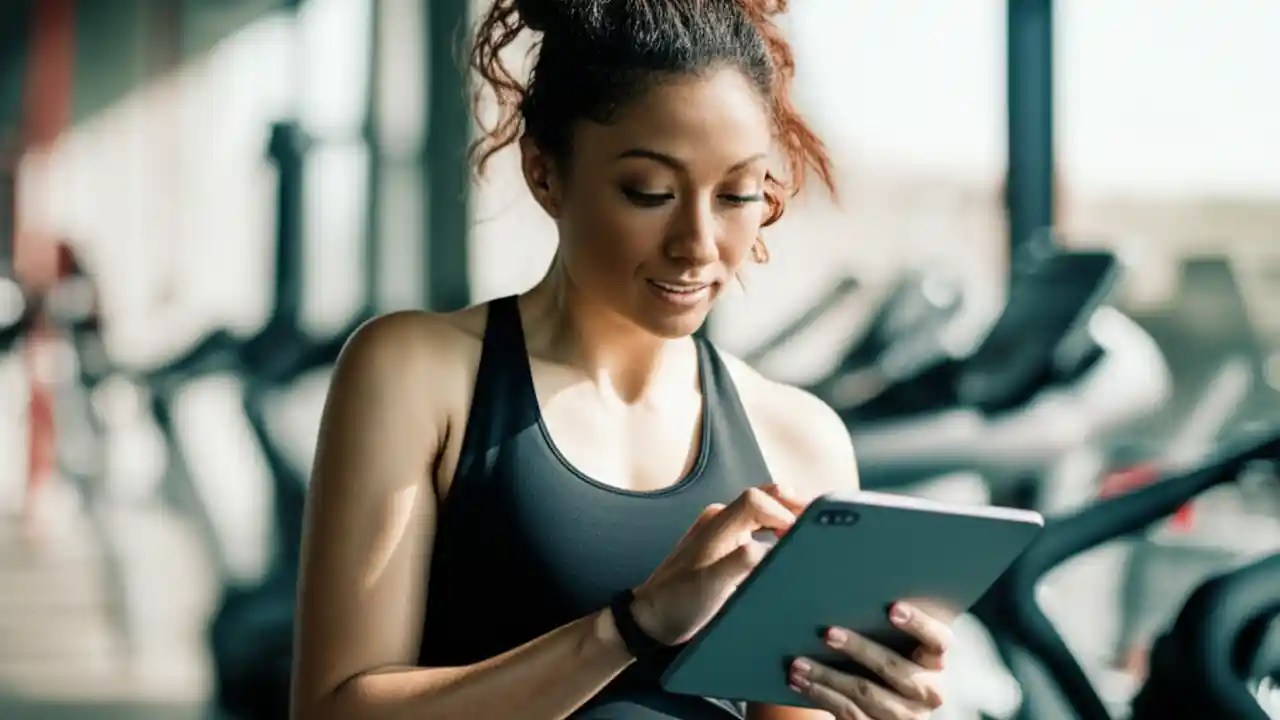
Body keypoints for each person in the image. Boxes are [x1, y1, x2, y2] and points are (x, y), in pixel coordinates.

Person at [290, 1, 952, 718]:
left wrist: (873, 700)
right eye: (651, 193)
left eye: (736, 194)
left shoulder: (799, 439)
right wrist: (630, 627)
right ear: (545, 173)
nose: (698, 243)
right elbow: (333, 710)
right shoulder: (419, 373)